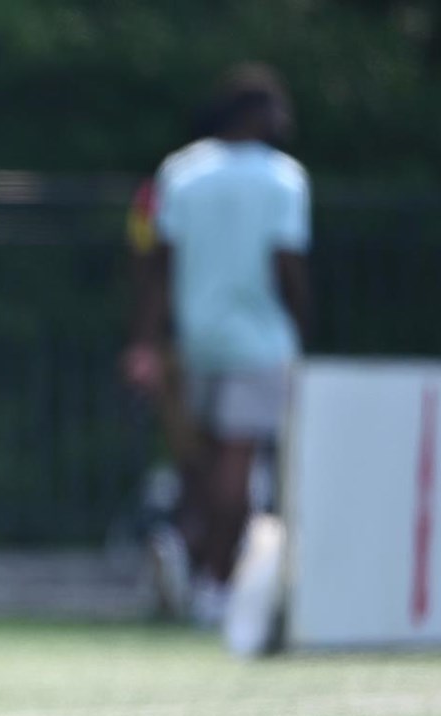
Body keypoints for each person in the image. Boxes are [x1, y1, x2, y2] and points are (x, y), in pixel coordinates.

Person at [122, 63, 311, 638]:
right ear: (254, 114)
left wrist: (142, 341)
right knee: (237, 461)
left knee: (196, 462)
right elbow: (289, 265)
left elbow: (157, 263)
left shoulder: (180, 172)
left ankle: (187, 548)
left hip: (192, 337)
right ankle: (214, 580)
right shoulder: (284, 178)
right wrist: (307, 329)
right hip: (259, 339)